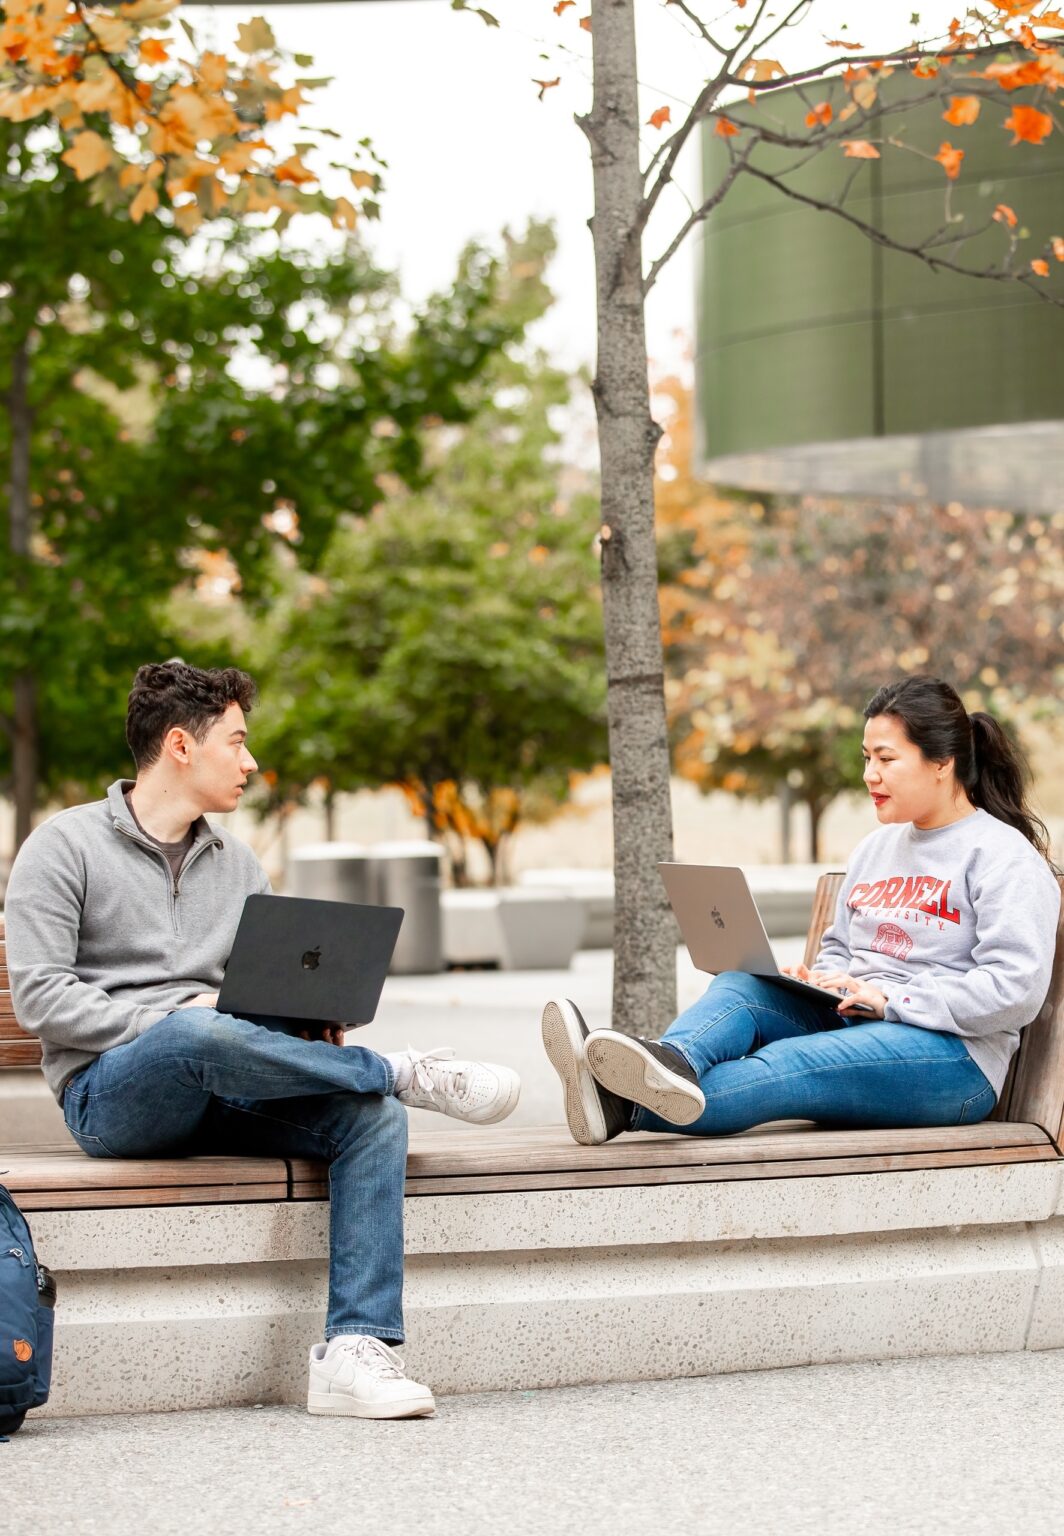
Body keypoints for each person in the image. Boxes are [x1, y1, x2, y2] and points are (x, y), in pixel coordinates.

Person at [5, 661, 521, 1421]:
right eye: (237, 742)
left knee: (371, 1116)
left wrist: (305, 1017)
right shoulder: (63, 846)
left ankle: (355, 1349)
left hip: (228, 1076)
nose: (251, 762)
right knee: (196, 1030)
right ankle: (393, 1070)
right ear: (181, 745)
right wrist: (180, 1018)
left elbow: (256, 992)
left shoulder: (238, 865)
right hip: (112, 1096)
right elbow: (41, 997)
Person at [543, 676, 1061, 1146]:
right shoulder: (875, 849)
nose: (870, 775)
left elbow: (1014, 989)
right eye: (866, 758)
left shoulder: (1002, 856)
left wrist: (892, 999)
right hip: (855, 1021)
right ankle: (672, 1060)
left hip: (953, 1061)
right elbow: (841, 947)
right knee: (740, 985)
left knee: (787, 1064)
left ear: (942, 762)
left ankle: (622, 1102)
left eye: (886, 759)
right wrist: (819, 980)